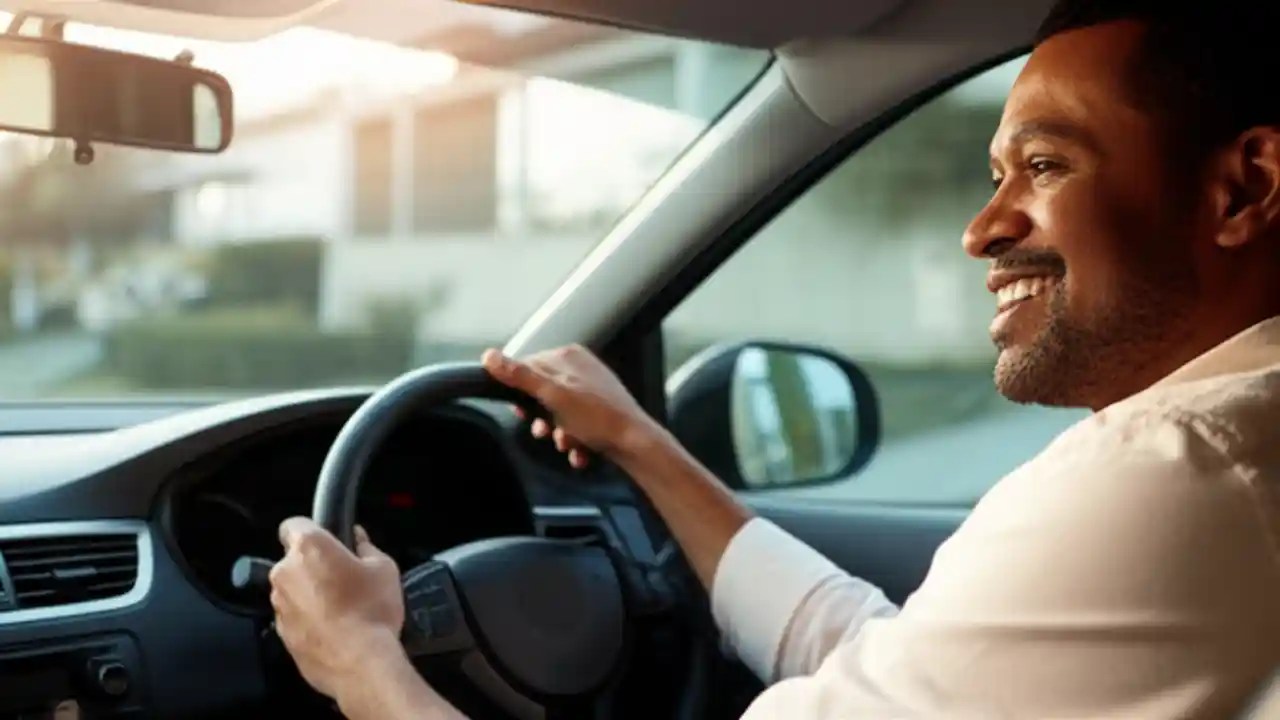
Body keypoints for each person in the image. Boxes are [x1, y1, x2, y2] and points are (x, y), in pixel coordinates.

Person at [265, 1, 1280, 717]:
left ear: (1243, 189)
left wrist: (359, 664)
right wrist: (639, 443)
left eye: (1044, 165)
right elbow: (889, 664)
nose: (980, 229)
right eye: (993, 172)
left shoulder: (1169, 468)